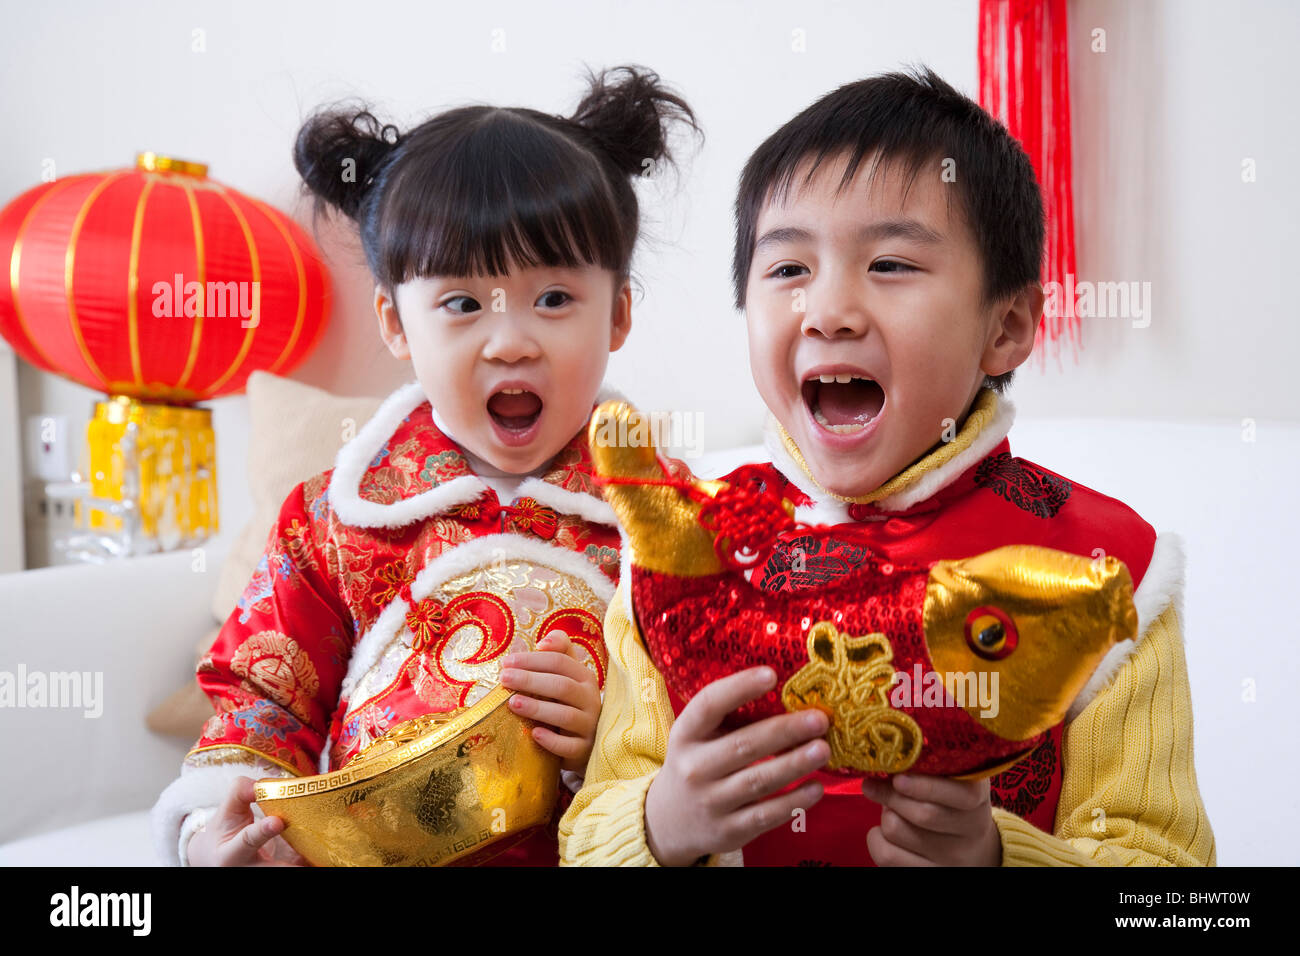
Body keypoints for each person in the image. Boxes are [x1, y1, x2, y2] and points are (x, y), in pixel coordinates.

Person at [560, 67, 1215, 867]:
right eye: (789, 270)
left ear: (1006, 326)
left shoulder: (1106, 574)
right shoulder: (682, 549)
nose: (829, 312)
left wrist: (993, 858)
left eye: (892, 265)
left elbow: (1176, 888)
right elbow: (586, 831)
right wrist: (661, 825)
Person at [149, 64, 701, 866]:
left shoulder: (675, 527)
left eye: (553, 299)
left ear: (616, 313)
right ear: (395, 322)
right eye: (462, 304)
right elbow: (263, 701)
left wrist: (612, 735)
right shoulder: (330, 524)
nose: (510, 340)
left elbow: (711, 720)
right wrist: (212, 835)